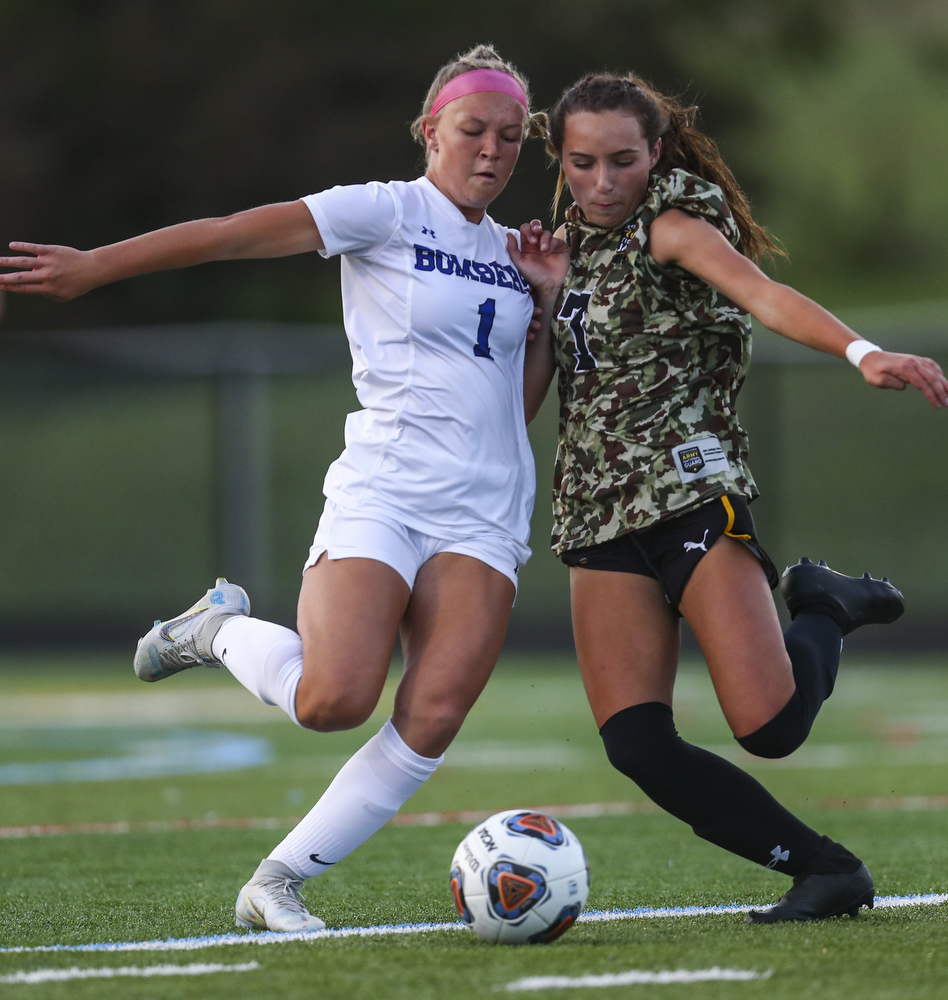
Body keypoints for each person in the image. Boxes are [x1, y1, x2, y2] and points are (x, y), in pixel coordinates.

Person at [0, 45, 548, 932]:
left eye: (512, 138)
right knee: (334, 700)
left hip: (487, 510)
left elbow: (513, 408)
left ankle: (278, 880)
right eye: (473, 130)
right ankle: (215, 629)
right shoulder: (383, 210)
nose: (492, 150)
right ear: (429, 130)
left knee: (435, 714)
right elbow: (231, 231)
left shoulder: (517, 254)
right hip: (387, 490)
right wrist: (98, 265)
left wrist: (548, 310)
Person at [510, 72, 948, 923]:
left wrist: (862, 354)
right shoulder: (559, 248)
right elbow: (541, 391)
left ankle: (824, 609)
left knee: (771, 729)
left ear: (657, 152)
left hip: (687, 490)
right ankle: (827, 871)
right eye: (585, 162)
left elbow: (765, 295)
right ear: (561, 160)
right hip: (597, 514)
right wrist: (546, 296)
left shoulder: (673, 229)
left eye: (624, 161)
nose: (605, 182)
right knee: (636, 744)